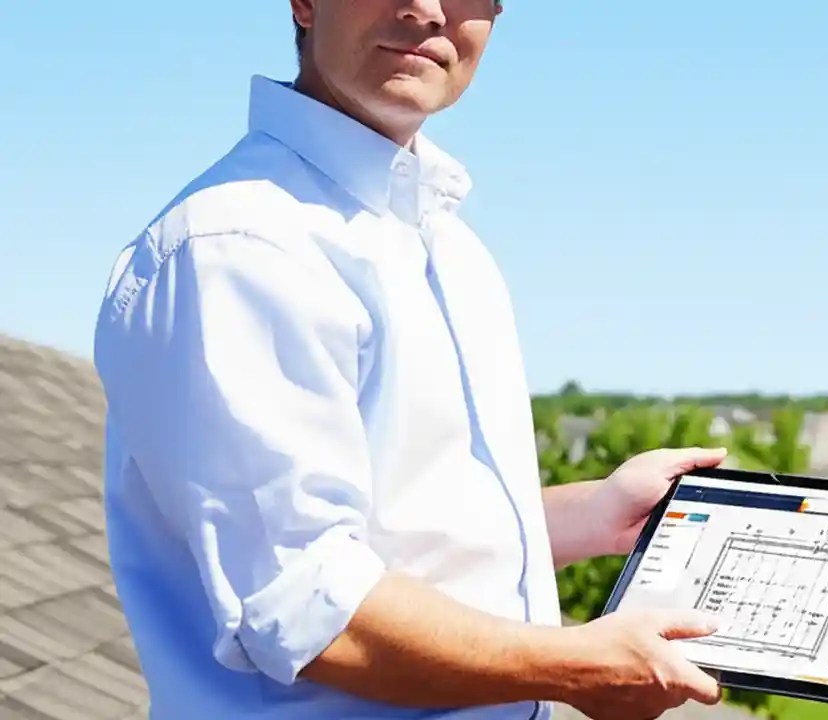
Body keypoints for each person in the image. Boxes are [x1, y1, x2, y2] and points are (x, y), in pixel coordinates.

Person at [91, 2, 727, 718]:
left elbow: (411, 540)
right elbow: (309, 608)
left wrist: (597, 512)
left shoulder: (447, 245)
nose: (427, 9)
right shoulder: (242, 244)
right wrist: (575, 667)